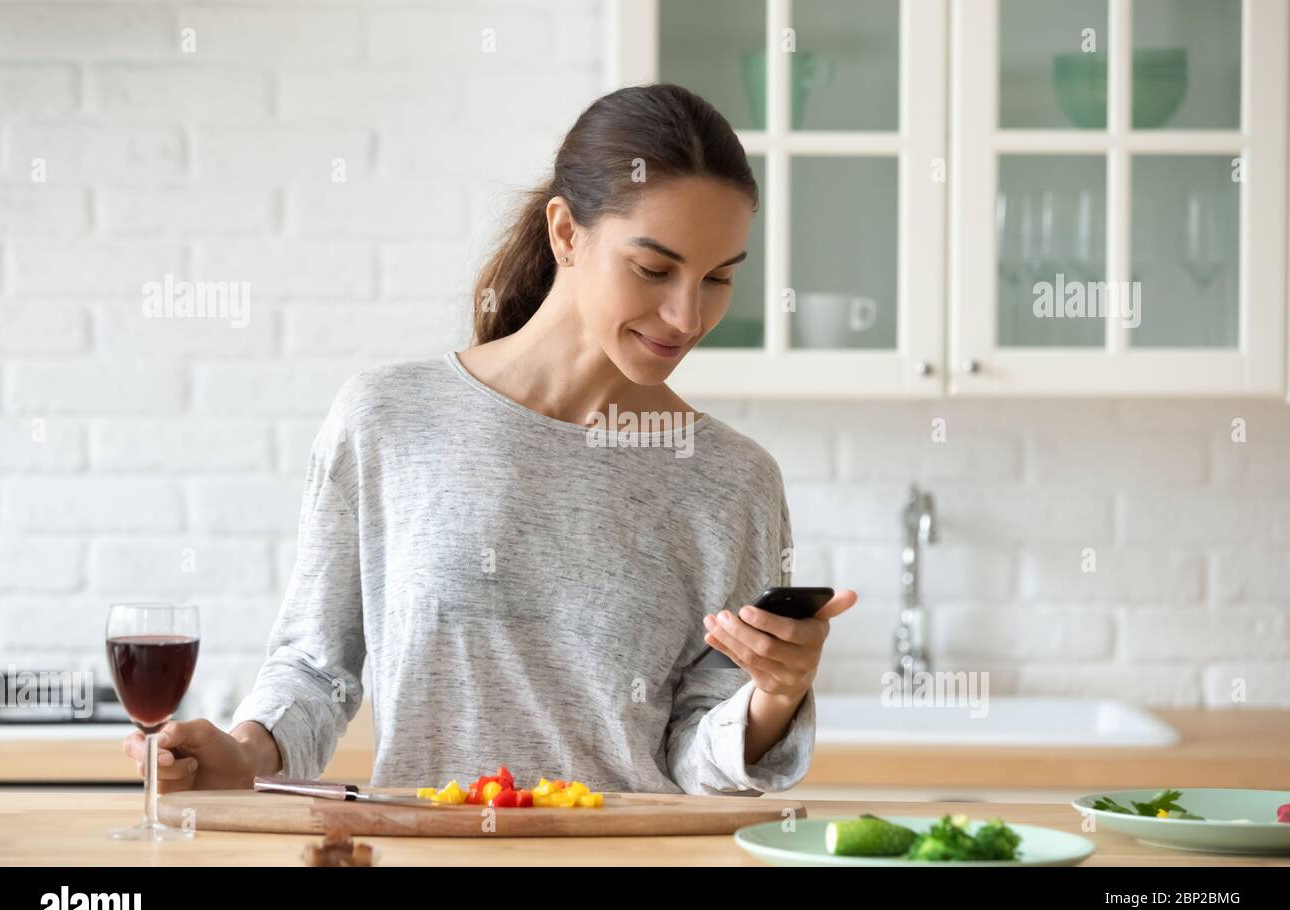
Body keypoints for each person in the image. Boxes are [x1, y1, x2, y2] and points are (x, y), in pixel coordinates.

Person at [123, 82, 857, 797]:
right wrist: (246, 753)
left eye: (718, 279)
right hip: (426, 857)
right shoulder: (388, 418)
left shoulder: (731, 480)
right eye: (654, 269)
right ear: (567, 232)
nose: (685, 315)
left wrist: (772, 699)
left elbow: (697, 755)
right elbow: (317, 669)